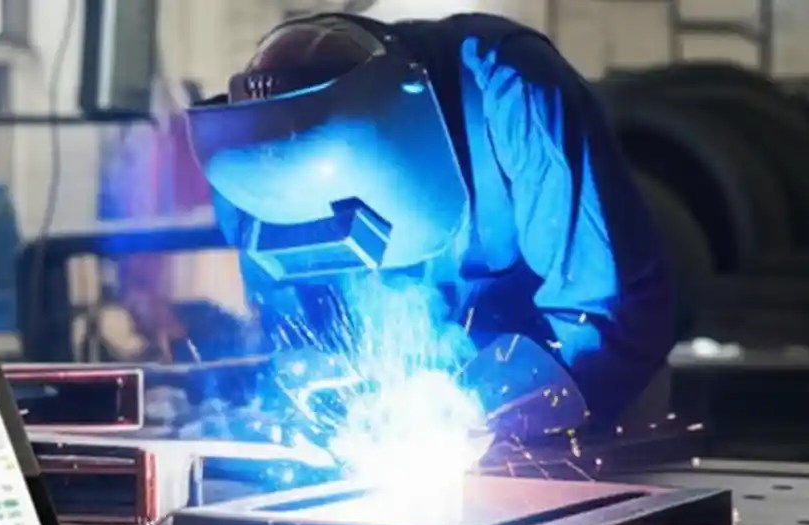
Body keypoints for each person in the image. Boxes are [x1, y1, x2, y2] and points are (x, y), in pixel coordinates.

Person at [185, 12, 675, 431]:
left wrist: (471, 411)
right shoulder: (251, 151)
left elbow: (609, 310)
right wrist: (326, 401)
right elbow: (297, 329)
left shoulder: (512, 89)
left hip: (590, 401)